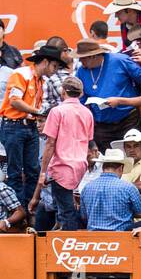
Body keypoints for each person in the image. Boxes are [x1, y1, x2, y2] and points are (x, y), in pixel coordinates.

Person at [0, 44, 62, 210]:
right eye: (54, 66)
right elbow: (14, 100)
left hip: (27, 126)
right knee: (15, 172)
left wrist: (37, 113)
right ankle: (16, 211)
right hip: (14, 126)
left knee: (33, 170)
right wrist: (38, 111)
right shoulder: (22, 74)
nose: (55, 70)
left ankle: (27, 209)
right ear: (46, 62)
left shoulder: (39, 80)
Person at [35, 75, 94, 229]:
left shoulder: (57, 111)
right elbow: (88, 141)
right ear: (80, 94)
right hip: (80, 166)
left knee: (65, 211)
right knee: (65, 209)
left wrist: (43, 172)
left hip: (62, 167)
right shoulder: (87, 113)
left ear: (63, 92)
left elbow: (50, 143)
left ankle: (69, 243)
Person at [80, 149, 141, 231]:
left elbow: (84, 216)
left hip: (94, 237)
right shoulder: (129, 187)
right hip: (122, 235)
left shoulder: (87, 188)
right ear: (121, 168)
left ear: (103, 167)